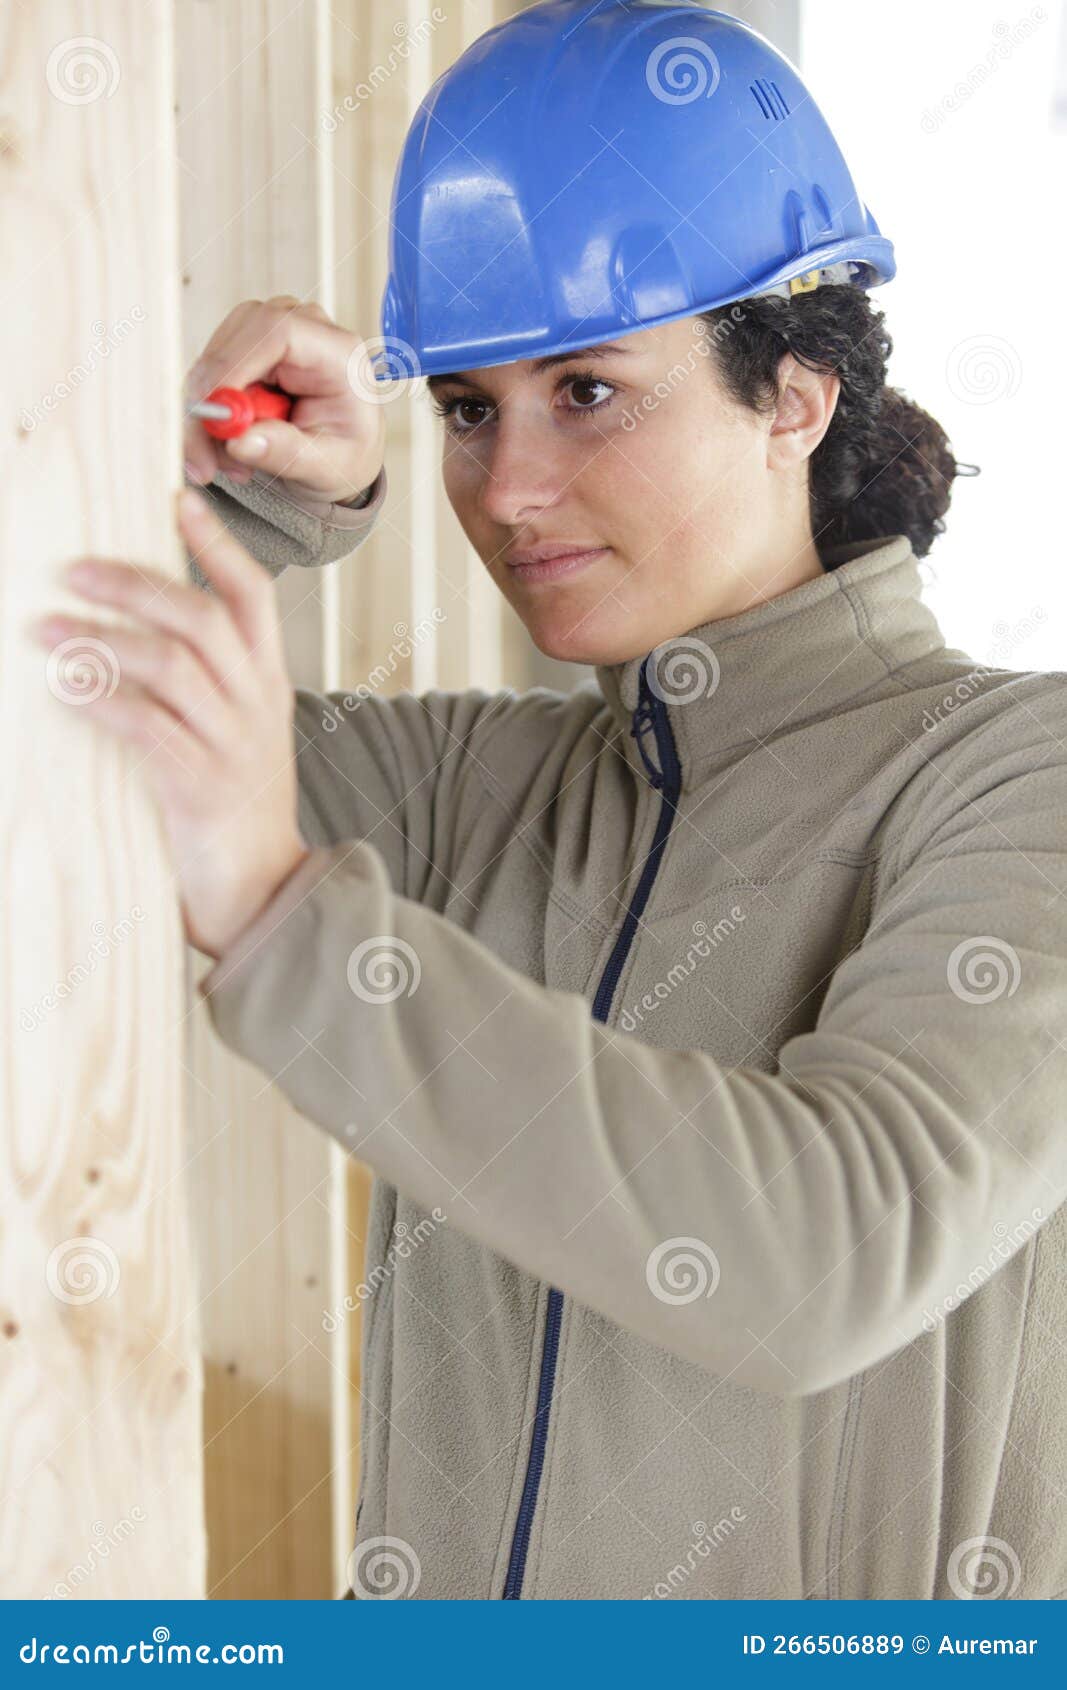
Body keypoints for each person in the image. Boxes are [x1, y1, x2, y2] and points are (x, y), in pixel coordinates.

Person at [33, 0, 1067, 1601]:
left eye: (585, 391)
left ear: (795, 392)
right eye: (466, 409)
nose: (506, 492)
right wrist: (235, 508)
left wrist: (280, 918)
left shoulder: (1015, 772)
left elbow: (820, 1257)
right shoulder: (472, 789)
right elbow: (52, 752)